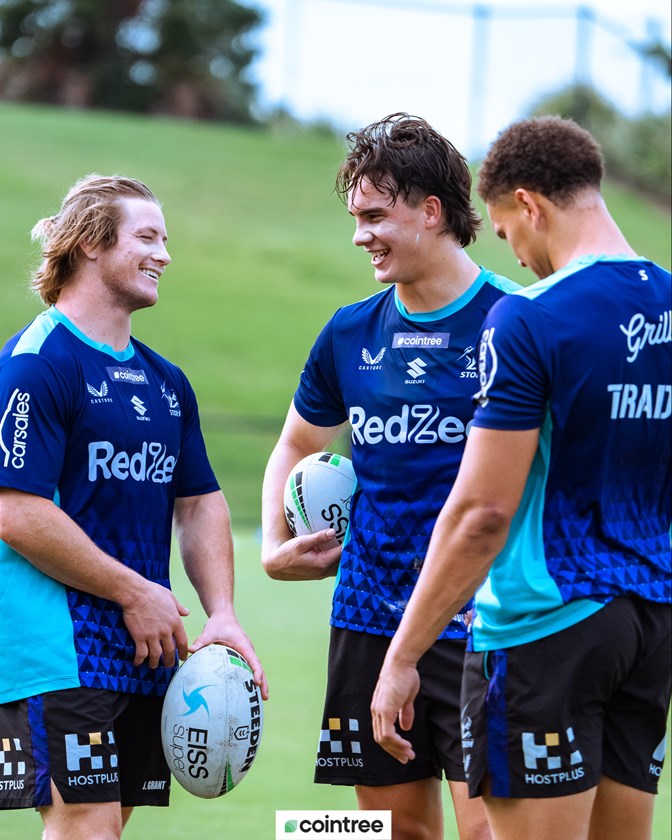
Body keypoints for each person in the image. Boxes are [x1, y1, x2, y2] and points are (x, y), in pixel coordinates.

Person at [370, 115, 671, 840]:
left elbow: (481, 514)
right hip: (652, 624)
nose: (521, 256)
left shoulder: (529, 319)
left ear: (529, 206)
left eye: (507, 233)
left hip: (546, 626)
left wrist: (403, 656)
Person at [261, 113, 519, 840]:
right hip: (368, 617)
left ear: (431, 210)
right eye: (355, 217)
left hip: (482, 618)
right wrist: (275, 544)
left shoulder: (515, 321)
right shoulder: (349, 332)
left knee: (488, 832)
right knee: (395, 834)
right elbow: (293, 444)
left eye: (375, 215)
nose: (359, 235)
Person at [0, 174, 268, 839]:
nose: (165, 255)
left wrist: (224, 613)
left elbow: (201, 501)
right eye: (147, 237)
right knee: (85, 829)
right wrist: (134, 591)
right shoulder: (36, 364)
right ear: (91, 242)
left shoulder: (165, 381)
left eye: (164, 239)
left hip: (142, 650)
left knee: (106, 829)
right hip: (58, 652)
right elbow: (15, 510)